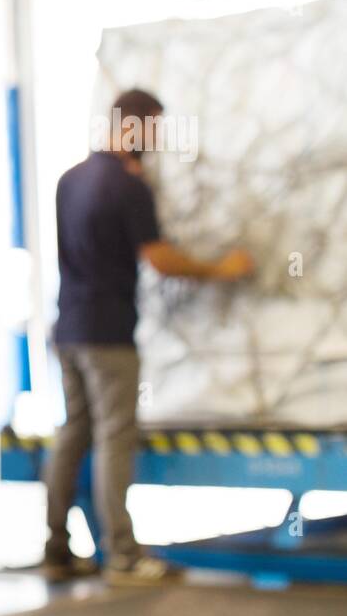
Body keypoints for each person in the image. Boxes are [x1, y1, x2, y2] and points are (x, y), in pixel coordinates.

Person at [43, 89, 255, 586]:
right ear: (134, 126)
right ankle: (122, 556)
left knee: (73, 433)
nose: (156, 142)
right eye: (154, 130)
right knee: (115, 437)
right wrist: (219, 268)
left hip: (68, 327)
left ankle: (56, 549)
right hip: (108, 333)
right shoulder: (128, 187)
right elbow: (159, 257)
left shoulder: (69, 180)